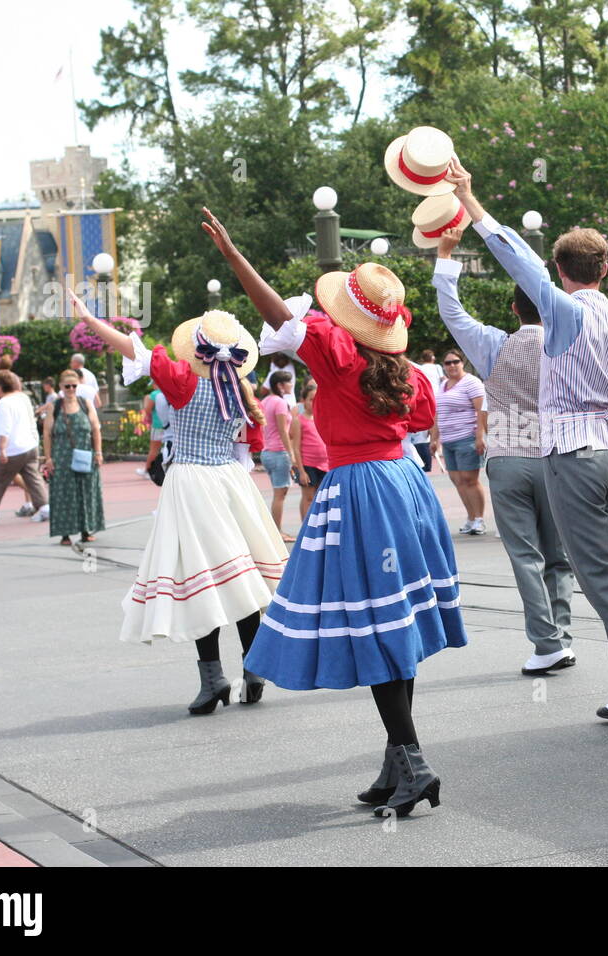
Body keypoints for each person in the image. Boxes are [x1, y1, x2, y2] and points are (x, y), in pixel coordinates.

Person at [203, 206, 465, 817]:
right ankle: (397, 759)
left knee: (374, 625)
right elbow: (422, 421)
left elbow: (278, 316)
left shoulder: (337, 355)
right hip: (404, 482)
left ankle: (414, 761)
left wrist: (236, 259)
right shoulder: (409, 373)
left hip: (360, 489)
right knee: (391, 620)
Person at [445, 158, 608, 732]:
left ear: (558, 270)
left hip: (570, 452)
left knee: (599, 579)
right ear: (606, 267)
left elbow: (513, 257)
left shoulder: (562, 311)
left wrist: (471, 201)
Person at [69, 287, 288, 715]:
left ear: (197, 349)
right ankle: (255, 669)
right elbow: (253, 444)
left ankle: (213, 680)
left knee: (197, 579)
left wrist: (90, 320)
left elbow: (131, 345)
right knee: (242, 580)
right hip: (231, 482)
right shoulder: (243, 392)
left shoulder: (183, 380)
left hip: (190, 482)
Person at [433, 224, 577, 676]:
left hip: (509, 459)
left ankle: (546, 641)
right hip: (556, 457)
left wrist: (446, 257)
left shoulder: (495, 344)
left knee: (525, 555)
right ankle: (564, 636)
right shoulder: (567, 339)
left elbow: (452, 313)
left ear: (514, 309)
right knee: (559, 555)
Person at [42, 369, 106, 546]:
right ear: (61, 387)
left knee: (86, 491)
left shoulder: (85, 403)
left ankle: (87, 530)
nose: (71, 389)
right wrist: (48, 458)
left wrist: (98, 452)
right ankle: (65, 534)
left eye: (74, 386)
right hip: (61, 456)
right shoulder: (54, 406)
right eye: (67, 386)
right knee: (64, 493)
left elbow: (95, 429)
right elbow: (47, 434)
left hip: (85, 453)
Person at [0, 371, 49, 525]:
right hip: (30, 445)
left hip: (13, 449)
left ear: (2, 386)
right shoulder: (23, 397)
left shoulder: (4, 403)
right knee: (33, 478)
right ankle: (44, 507)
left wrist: (2, 449)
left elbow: (4, 428)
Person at [430, 348, 487, 534]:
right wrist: (434, 438)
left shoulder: (471, 383)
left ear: (462, 363)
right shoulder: (443, 385)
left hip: (466, 438)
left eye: (456, 361)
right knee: (457, 481)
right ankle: (471, 517)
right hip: (448, 441)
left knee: (470, 479)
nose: (452, 365)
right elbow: (437, 414)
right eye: (448, 363)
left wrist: (480, 436)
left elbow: (481, 412)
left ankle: (479, 518)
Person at [260, 369, 300, 542]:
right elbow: (283, 430)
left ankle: (276, 530)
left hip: (267, 451)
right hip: (278, 452)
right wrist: (291, 454)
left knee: (278, 493)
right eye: (289, 382)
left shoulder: (266, 400)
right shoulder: (280, 403)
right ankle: (277, 532)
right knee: (280, 494)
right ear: (280, 385)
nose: (291, 385)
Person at [290, 378, 329, 523]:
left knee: (321, 498)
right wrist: (301, 470)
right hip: (308, 465)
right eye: (311, 400)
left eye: (317, 399)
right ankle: (306, 528)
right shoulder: (298, 420)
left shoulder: (323, 418)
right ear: (304, 401)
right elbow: (296, 447)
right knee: (308, 497)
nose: (314, 403)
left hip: (325, 465)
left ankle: (318, 526)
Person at [136, 387, 169, 479]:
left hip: (158, 425)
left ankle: (148, 471)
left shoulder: (155, 394)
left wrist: (146, 399)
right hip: (169, 425)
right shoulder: (169, 390)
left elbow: (147, 410)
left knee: (154, 450)